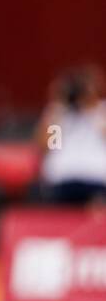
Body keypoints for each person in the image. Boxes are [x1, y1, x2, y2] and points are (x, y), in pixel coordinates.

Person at [35, 66, 106, 205]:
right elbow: (50, 146)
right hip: (63, 178)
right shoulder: (59, 112)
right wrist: (59, 105)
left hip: (97, 177)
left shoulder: (102, 110)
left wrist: (91, 108)